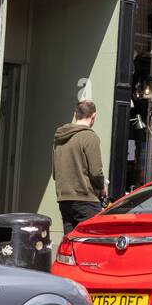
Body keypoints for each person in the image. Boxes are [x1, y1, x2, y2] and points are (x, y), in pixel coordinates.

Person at [53, 99, 107, 235]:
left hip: (64, 198)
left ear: (75, 114)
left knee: (70, 242)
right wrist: (102, 186)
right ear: (93, 116)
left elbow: (55, 172)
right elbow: (96, 172)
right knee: (94, 239)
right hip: (85, 198)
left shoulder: (59, 137)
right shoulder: (89, 137)